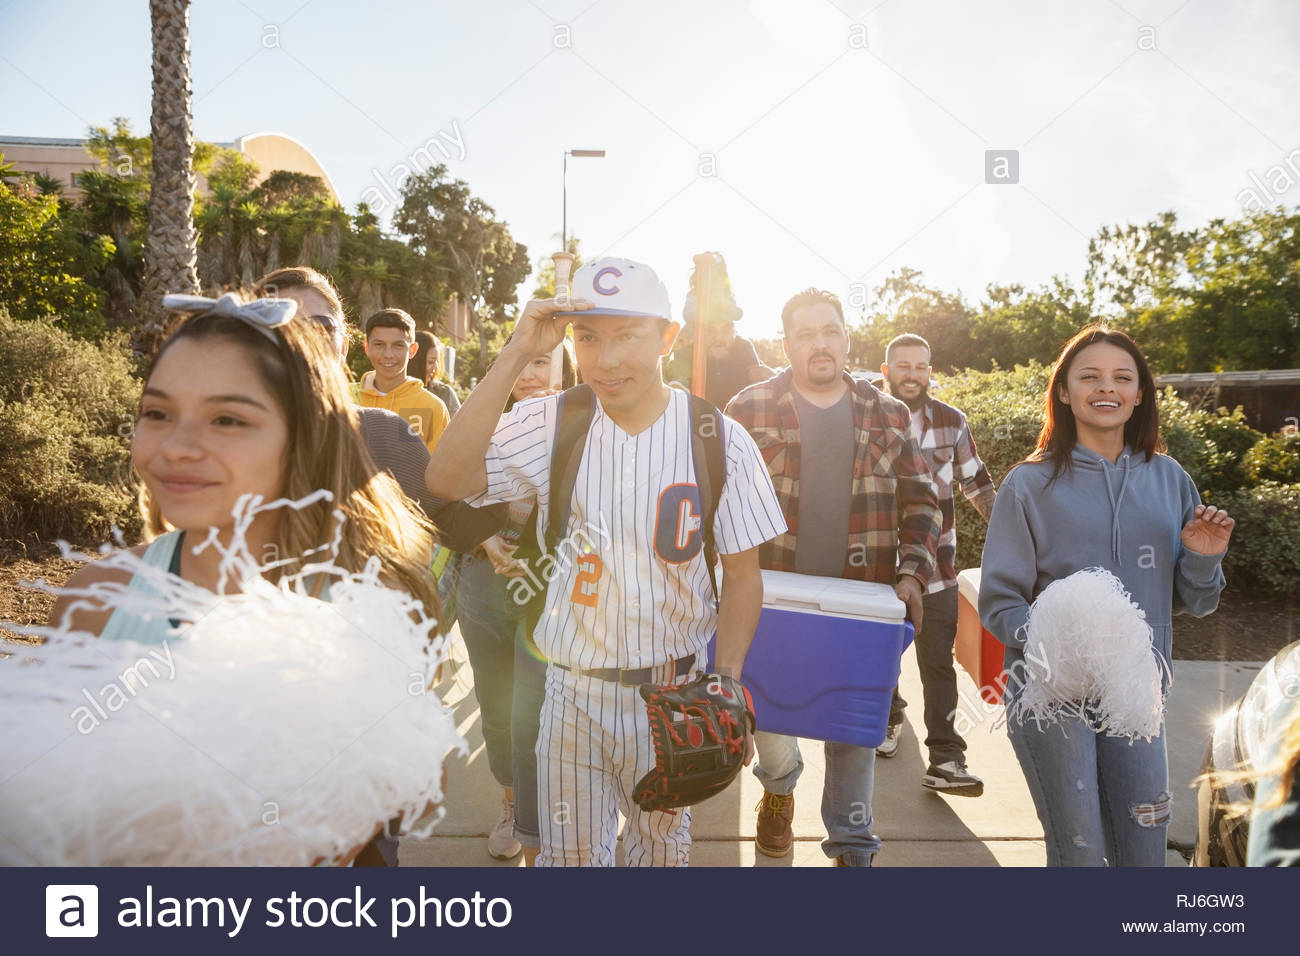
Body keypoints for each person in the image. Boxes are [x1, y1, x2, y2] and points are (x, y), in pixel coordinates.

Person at [49, 293, 441, 865]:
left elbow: (422, 788)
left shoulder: (364, 604)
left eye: (228, 419)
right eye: (157, 413)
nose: (177, 447)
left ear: (302, 437)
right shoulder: (95, 599)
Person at [427, 257, 786, 867]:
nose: (606, 358)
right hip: (570, 693)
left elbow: (744, 577)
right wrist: (515, 352)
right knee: (569, 863)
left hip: (675, 699)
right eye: (588, 336)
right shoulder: (551, 421)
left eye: (627, 335)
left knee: (657, 856)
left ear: (668, 337)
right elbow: (446, 478)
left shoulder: (717, 438)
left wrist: (726, 681)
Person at [980, 324, 1233, 866]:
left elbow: (1196, 601)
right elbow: (1000, 603)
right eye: (1089, 376)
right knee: (1080, 852)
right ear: (1064, 392)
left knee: (1143, 846)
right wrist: (1069, 645)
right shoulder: (1028, 485)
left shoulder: (1170, 480)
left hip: (1137, 694)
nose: (1106, 388)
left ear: (1139, 394)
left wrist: (1204, 556)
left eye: (1123, 377)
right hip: (1050, 691)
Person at [726, 288, 941, 866]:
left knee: (854, 730)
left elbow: (923, 503)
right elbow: (715, 500)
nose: (820, 343)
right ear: (786, 342)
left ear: (847, 338)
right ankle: (778, 791)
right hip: (768, 602)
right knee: (767, 717)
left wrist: (912, 576)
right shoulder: (747, 409)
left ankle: (852, 849)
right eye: (805, 333)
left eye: (831, 331)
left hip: (860, 607)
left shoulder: (889, 413)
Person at [455, 343, 576, 864]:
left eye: (543, 362)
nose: (531, 373)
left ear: (563, 369)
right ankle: (510, 802)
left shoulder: (584, 431)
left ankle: (536, 830)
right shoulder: (481, 423)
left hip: (549, 596)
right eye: (523, 361)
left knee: (534, 718)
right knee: (496, 710)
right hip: (483, 587)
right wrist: (485, 540)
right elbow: (437, 496)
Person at [876, 333, 996, 797]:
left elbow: (977, 484)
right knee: (881, 653)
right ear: (886, 371)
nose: (912, 374)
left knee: (937, 664)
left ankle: (946, 758)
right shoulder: (870, 418)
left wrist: (1012, 539)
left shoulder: (952, 422)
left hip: (938, 565)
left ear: (930, 371)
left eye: (921, 366)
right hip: (879, 565)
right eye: (902, 366)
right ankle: (889, 716)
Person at [253, 267, 439, 518]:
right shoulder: (214, 440)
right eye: (277, 330)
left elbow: (447, 516)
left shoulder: (385, 433)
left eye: (318, 328)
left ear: (344, 347)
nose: (299, 343)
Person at [665, 253, 772, 407]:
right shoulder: (695, 296)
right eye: (709, 279)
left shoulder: (726, 297)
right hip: (695, 333)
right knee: (683, 353)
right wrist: (705, 306)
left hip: (738, 418)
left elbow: (738, 313)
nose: (713, 284)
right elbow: (687, 313)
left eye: (716, 278)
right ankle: (681, 384)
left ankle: (758, 379)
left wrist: (725, 305)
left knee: (746, 346)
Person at [360, 308, 450, 453]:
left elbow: (439, 470)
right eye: (379, 345)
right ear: (367, 348)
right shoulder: (343, 397)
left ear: (413, 350)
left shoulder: (432, 407)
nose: (388, 354)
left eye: (398, 345)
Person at [411, 330, 461, 416]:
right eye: (431, 362)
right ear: (415, 362)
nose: (436, 367)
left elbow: (459, 426)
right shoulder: (395, 392)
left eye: (437, 361)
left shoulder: (444, 393)